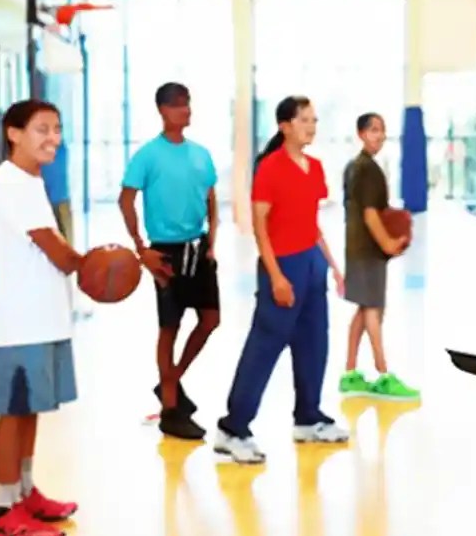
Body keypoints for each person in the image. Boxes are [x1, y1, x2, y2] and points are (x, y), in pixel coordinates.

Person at [214, 95, 349, 464]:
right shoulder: (270, 168)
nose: (311, 126)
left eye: (314, 120)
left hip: (311, 264)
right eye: (304, 120)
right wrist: (275, 276)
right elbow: (260, 226)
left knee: (314, 344)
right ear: (285, 126)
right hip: (283, 265)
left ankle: (308, 418)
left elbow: (311, 223)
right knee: (264, 348)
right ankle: (233, 428)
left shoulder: (316, 167)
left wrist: (333, 266)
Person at [0, 99, 85, 536]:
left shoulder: (31, 181)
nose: (53, 138)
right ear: (13, 133)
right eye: (42, 129)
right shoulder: (9, 183)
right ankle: (6, 513)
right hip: (20, 321)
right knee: (14, 411)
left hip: (43, 317)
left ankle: (26, 492)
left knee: (30, 409)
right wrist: (107, 264)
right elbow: (57, 251)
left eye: (57, 129)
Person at [119, 82, 220, 441]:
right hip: (165, 251)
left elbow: (211, 198)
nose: (185, 110)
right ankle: (171, 410)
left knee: (210, 319)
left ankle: (171, 381)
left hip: (198, 247)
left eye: (188, 103)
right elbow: (125, 200)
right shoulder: (147, 155)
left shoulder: (202, 154)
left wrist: (212, 242)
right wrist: (140, 248)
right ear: (162, 110)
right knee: (170, 328)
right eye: (178, 105)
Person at [338, 112, 418, 401]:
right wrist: (387, 243)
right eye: (373, 130)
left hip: (356, 248)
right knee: (373, 310)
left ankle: (349, 373)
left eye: (382, 130)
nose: (379, 135)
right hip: (368, 251)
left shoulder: (353, 167)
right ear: (361, 133)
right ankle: (383, 373)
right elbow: (371, 214)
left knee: (363, 309)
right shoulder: (368, 169)